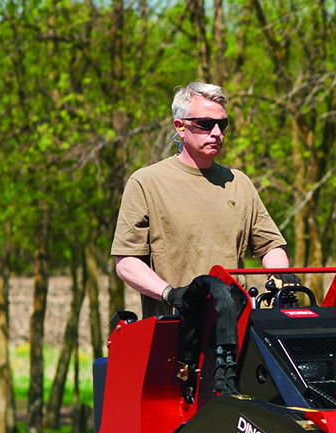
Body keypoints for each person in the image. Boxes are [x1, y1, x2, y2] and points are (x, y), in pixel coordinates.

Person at [111, 81, 289, 318]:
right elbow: (127, 262)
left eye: (222, 124)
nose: (216, 133)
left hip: (238, 326)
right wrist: (171, 294)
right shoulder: (146, 182)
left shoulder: (239, 183)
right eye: (205, 124)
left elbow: (270, 246)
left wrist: (282, 283)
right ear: (180, 127)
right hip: (175, 329)